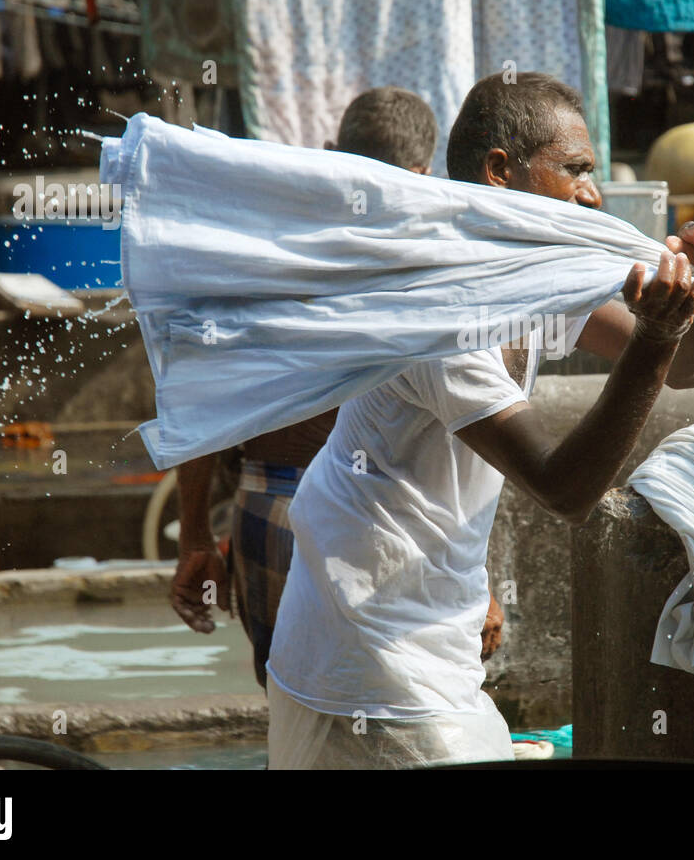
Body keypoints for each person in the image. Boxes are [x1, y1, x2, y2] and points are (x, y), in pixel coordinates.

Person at [265, 72, 694, 769]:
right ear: (501, 172)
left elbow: (686, 369)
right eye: (576, 170)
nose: (592, 192)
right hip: (368, 655)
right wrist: (654, 336)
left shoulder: (533, 276)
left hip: (423, 635)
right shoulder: (439, 307)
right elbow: (564, 488)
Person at [168, 86, 495, 689]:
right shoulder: (433, 263)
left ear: (329, 152)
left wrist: (194, 536)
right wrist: (481, 575)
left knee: (296, 707)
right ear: (423, 175)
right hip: (389, 516)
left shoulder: (267, 247)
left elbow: (199, 388)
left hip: (271, 504)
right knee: (404, 704)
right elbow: (470, 437)